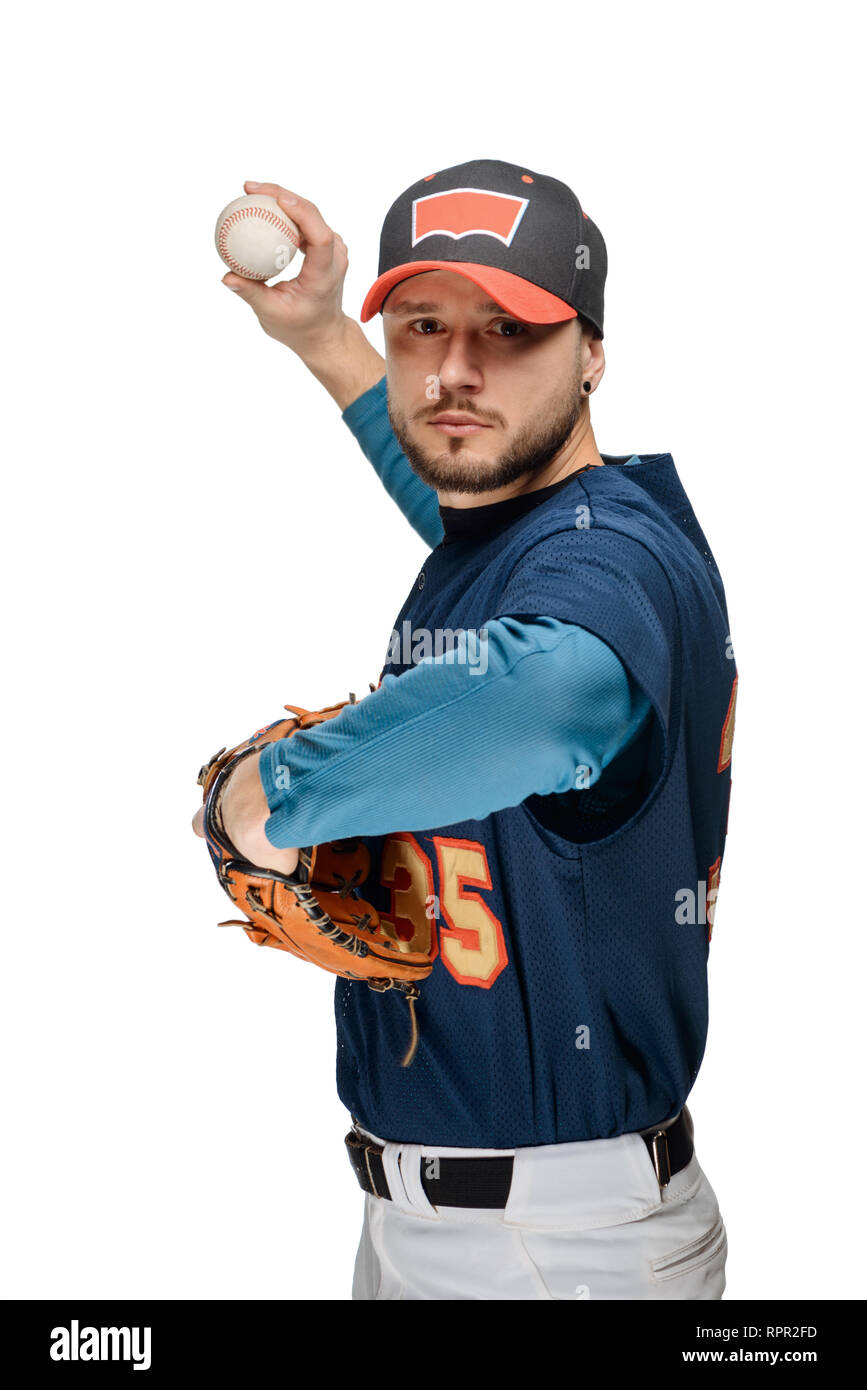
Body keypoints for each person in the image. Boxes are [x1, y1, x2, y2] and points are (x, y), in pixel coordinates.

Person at [195, 158, 737, 1300]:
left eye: (509, 332)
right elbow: (452, 476)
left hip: (557, 1249)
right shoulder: (526, 524)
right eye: (424, 326)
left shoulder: (605, 564)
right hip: (456, 1227)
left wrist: (267, 795)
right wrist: (325, 337)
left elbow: (551, 694)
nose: (454, 370)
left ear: (592, 353)